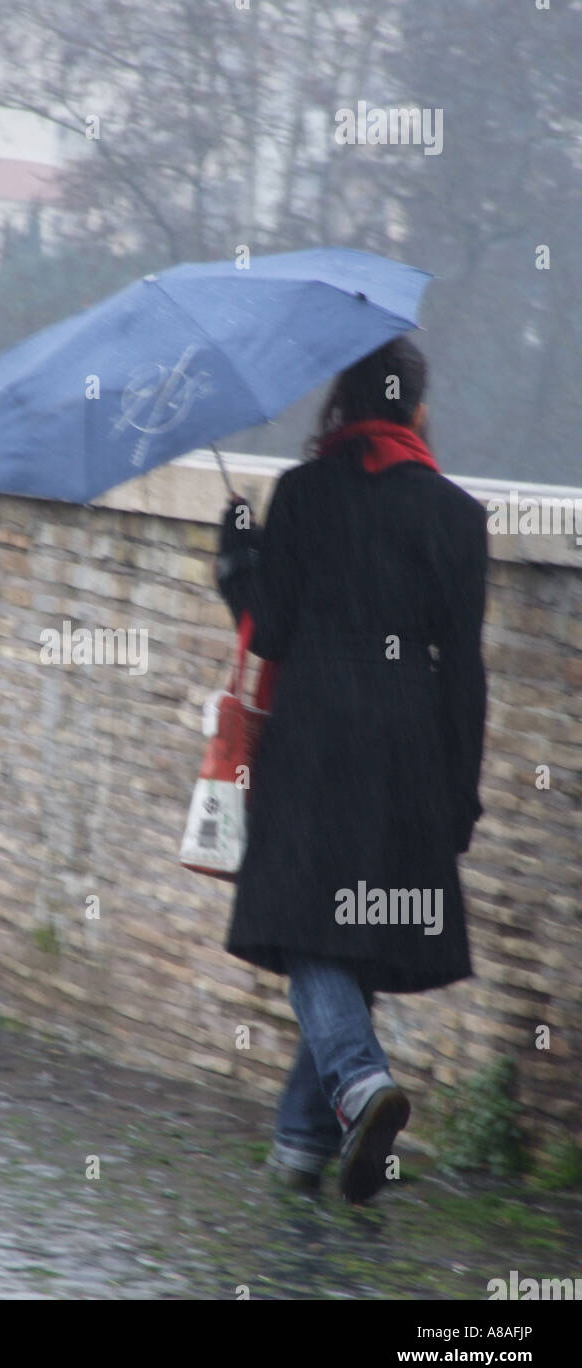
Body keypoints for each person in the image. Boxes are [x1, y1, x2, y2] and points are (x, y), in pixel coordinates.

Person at [215, 335, 488, 1203]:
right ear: (413, 407)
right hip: (410, 748)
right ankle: (301, 1146)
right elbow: (467, 673)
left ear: (345, 403)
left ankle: (360, 1085)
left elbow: (276, 632)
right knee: (354, 928)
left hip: (313, 744)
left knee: (309, 930)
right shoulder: (453, 514)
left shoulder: (300, 496)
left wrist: (238, 563)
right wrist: (461, 789)